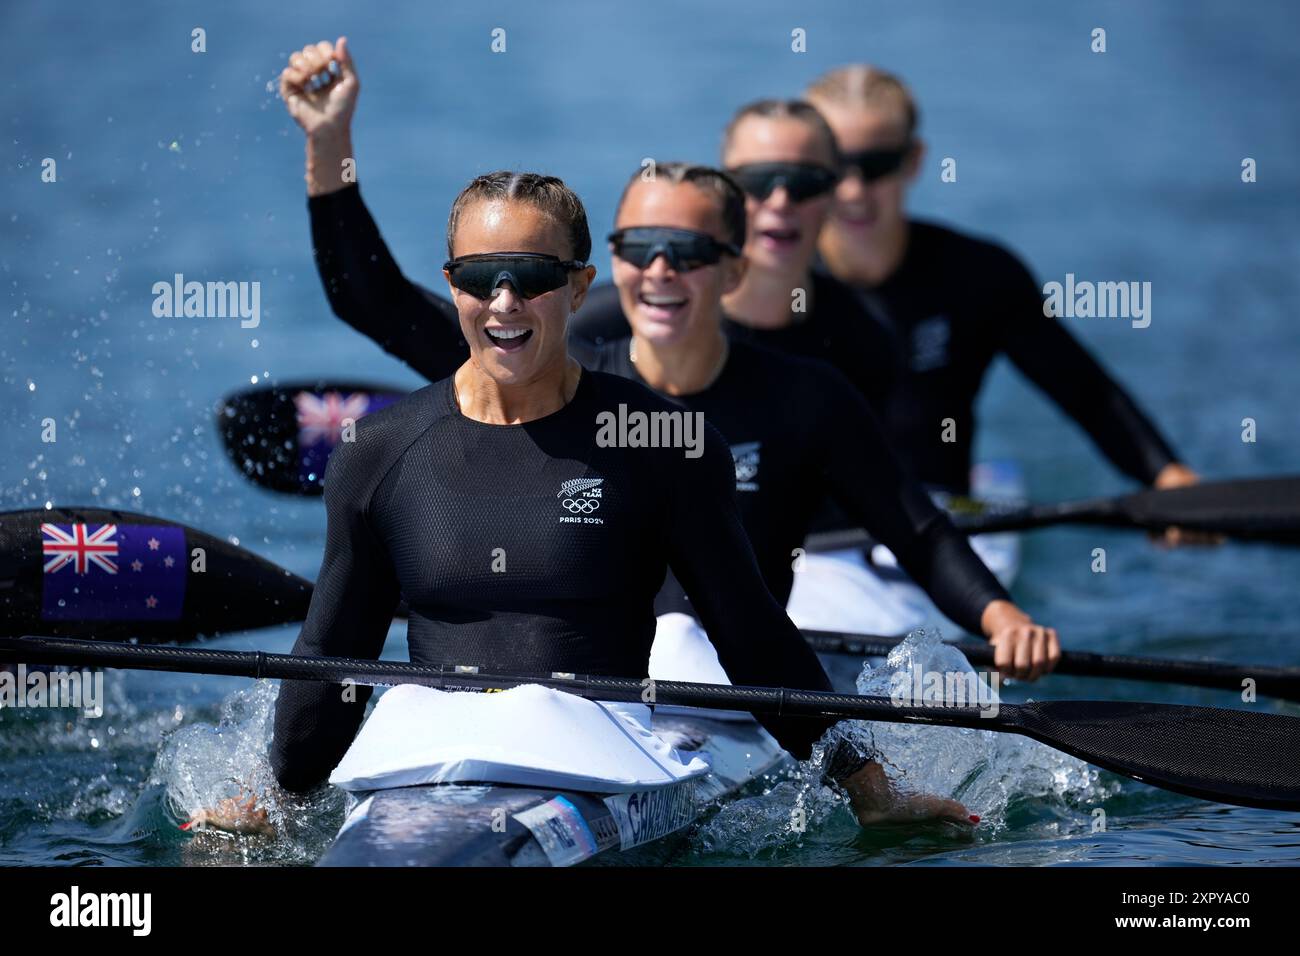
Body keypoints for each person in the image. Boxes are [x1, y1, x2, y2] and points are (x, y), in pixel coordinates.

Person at [283, 38, 1060, 682]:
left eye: (686, 254)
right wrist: (329, 146)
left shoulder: (805, 400)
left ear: (732, 269)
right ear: (610, 266)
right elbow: (370, 299)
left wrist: (1001, 616)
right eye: (640, 250)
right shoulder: (557, 363)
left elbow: (914, 529)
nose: (660, 273)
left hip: (733, 676)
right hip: (586, 689)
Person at [265, 154, 971, 826]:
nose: (503, 300)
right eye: (481, 278)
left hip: (595, 755)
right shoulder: (379, 453)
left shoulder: (664, 445)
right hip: (425, 758)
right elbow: (328, 656)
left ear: (578, 286)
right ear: (452, 285)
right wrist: (276, 803)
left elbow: (752, 635)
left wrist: (868, 788)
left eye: (532, 275)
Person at [803, 65, 1203, 514]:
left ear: (914, 160)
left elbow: (1087, 394)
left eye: (876, 166)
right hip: (808, 547)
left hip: (941, 530)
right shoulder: (770, 282)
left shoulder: (977, 275)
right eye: (835, 167)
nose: (854, 190)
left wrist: (1167, 477)